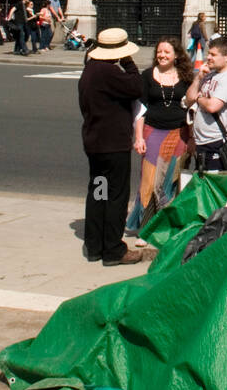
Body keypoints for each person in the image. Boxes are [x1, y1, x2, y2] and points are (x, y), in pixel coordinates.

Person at [78, 27, 146, 265]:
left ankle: (94, 244)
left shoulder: (90, 71)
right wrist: (129, 64)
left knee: (98, 192)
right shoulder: (109, 72)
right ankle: (114, 249)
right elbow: (137, 87)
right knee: (116, 196)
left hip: (94, 143)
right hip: (112, 144)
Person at [127, 37, 193, 240]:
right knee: (150, 181)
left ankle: (165, 226)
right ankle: (145, 227)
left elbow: (192, 107)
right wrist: (139, 137)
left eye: (167, 52)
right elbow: (140, 109)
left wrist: (192, 138)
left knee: (171, 181)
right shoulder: (147, 76)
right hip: (153, 131)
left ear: (176, 55)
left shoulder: (186, 76)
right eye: (159, 52)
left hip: (180, 133)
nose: (162, 55)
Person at [185, 36, 227, 172]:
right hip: (201, 142)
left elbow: (212, 106)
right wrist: (198, 78)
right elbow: (188, 99)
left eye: (213, 55)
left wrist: (199, 98)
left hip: (217, 143)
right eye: (208, 54)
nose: (208, 57)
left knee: (214, 187)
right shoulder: (209, 75)